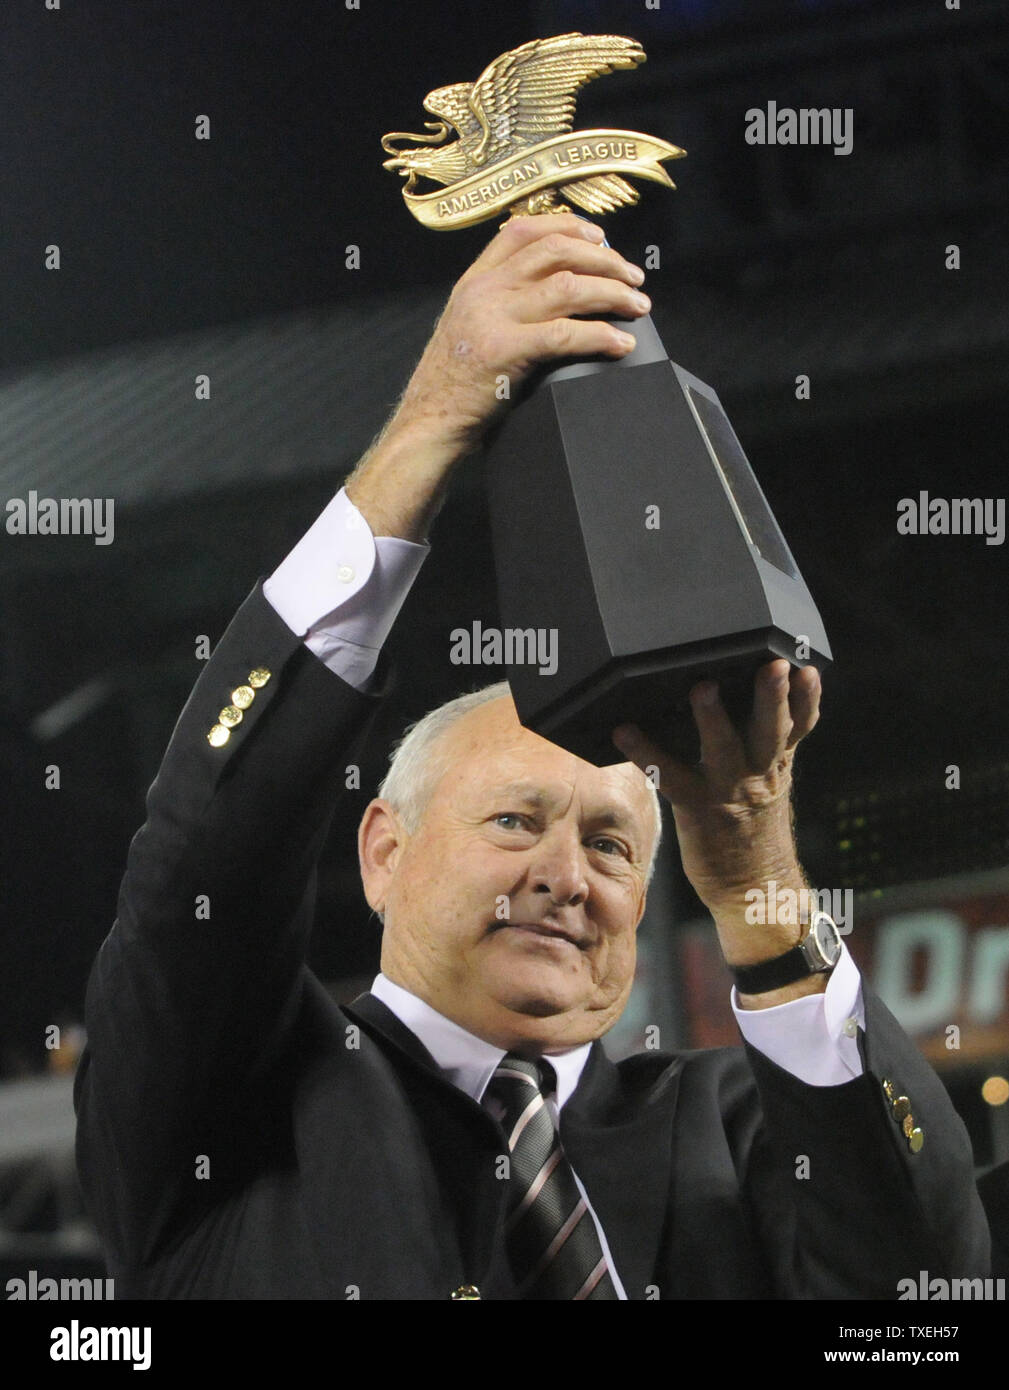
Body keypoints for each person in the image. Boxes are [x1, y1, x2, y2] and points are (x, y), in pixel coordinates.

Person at [74, 214, 989, 1299]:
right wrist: (433, 422)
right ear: (382, 850)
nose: (564, 877)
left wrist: (755, 886)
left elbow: (916, 1300)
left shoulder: (739, 1125)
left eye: (610, 843)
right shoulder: (236, 1102)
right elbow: (204, 859)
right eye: (514, 820)